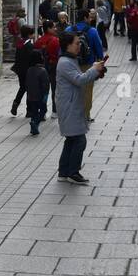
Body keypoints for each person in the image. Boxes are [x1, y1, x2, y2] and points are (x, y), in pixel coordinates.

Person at [55, 31, 107, 185]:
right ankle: (73, 172)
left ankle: (64, 172)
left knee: (71, 140)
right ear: (68, 45)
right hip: (69, 106)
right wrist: (93, 69)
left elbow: (79, 78)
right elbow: (79, 80)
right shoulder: (65, 62)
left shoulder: (70, 60)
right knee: (79, 140)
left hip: (72, 105)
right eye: (77, 43)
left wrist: (96, 72)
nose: (80, 46)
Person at [34, 21, 62, 115]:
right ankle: (55, 111)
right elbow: (59, 55)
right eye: (53, 27)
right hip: (53, 67)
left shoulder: (38, 41)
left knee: (43, 91)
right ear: (49, 28)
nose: (55, 29)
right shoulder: (55, 40)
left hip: (41, 68)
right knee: (55, 90)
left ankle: (43, 111)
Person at [10, 24, 35, 116]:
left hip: (20, 70)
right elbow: (31, 59)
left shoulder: (19, 43)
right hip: (28, 70)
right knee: (29, 89)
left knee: (22, 87)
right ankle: (29, 111)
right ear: (29, 34)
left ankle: (16, 103)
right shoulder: (29, 45)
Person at [24, 48, 50, 136]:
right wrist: (45, 96)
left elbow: (27, 83)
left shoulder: (29, 70)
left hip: (31, 96)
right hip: (40, 96)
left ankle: (34, 128)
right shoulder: (43, 71)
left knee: (34, 112)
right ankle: (35, 123)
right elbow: (46, 85)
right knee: (43, 110)